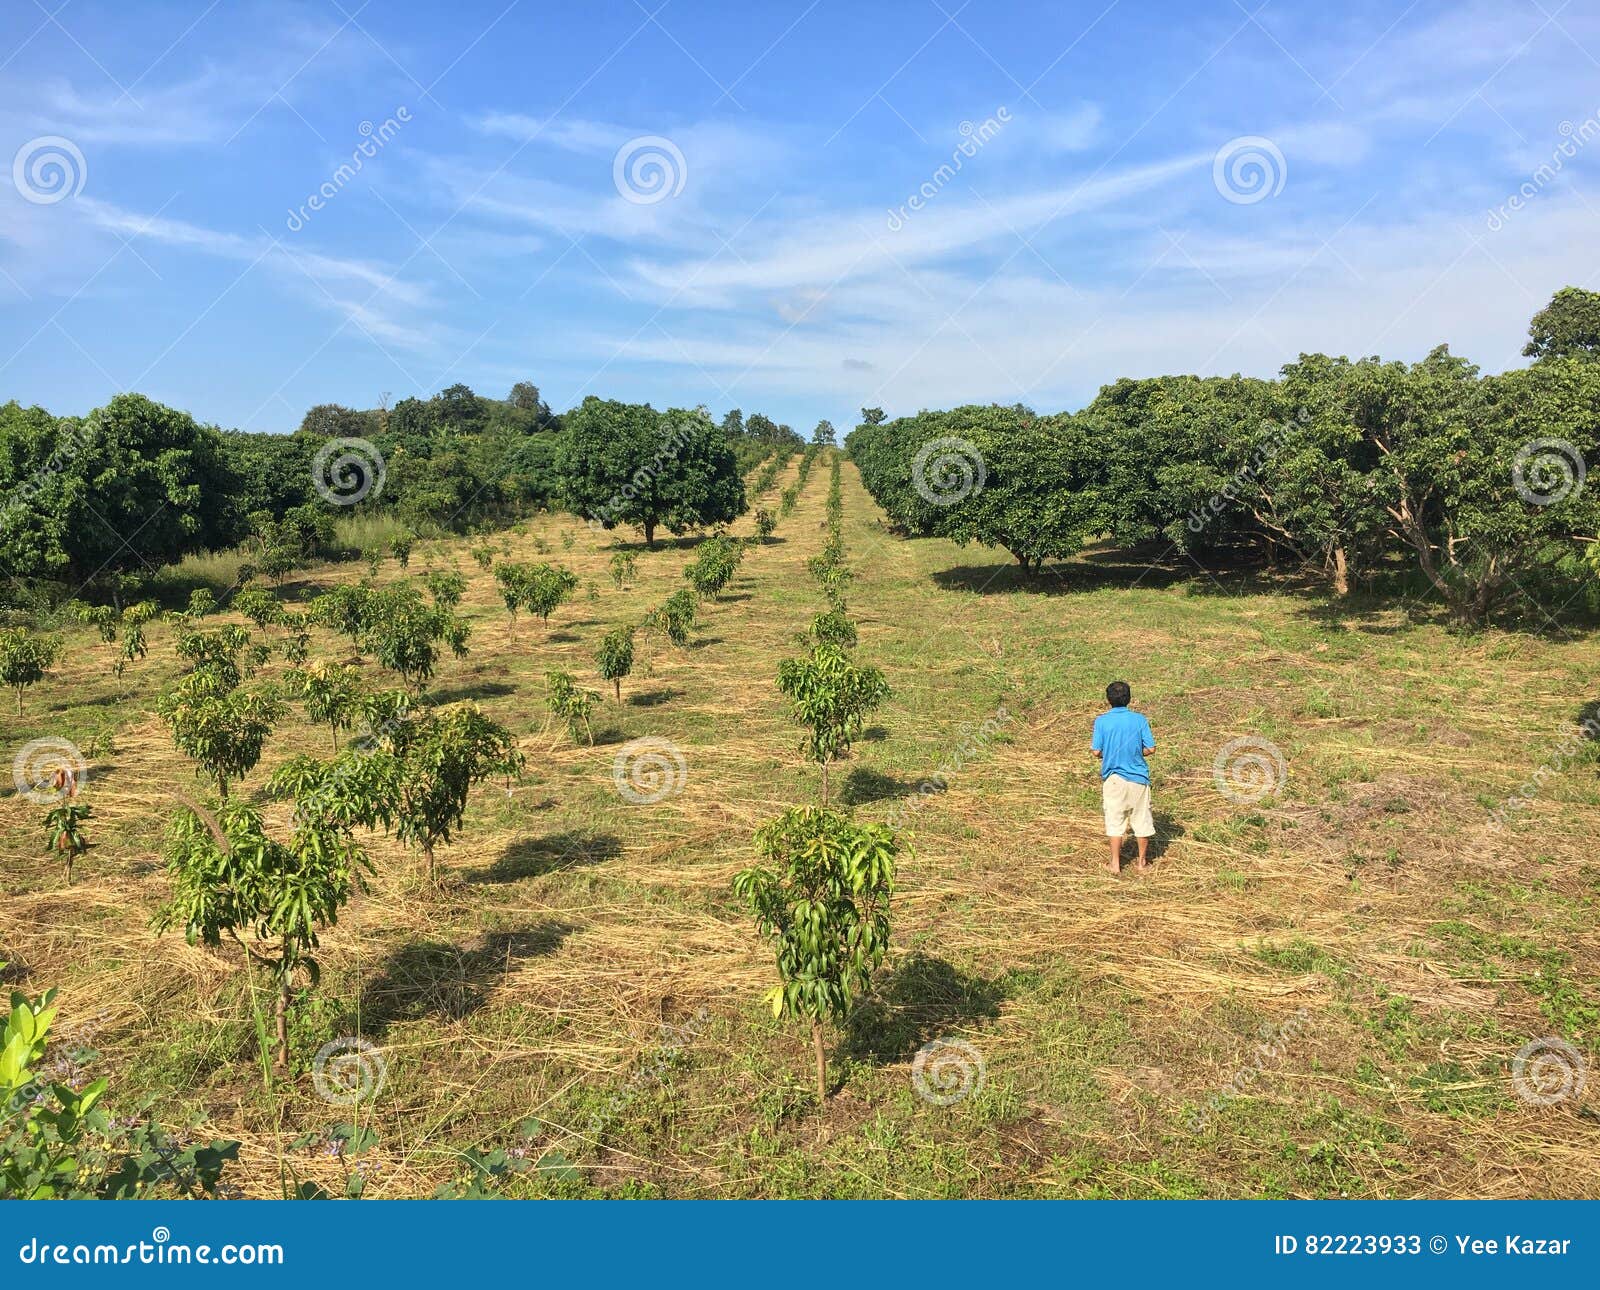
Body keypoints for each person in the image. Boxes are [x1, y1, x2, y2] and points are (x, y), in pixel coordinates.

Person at [1091, 680, 1155, 874]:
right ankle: (1142, 863)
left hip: (1113, 779)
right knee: (1142, 820)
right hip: (1138, 778)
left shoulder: (1101, 721)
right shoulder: (1139, 720)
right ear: (1129, 698)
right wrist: (1135, 753)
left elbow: (1096, 751)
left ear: (1108, 699)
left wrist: (1110, 754)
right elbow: (1151, 748)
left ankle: (1115, 864)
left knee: (1115, 821)